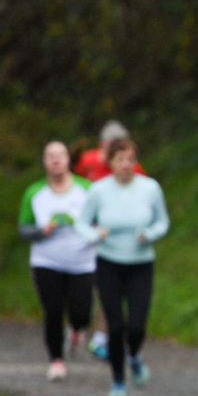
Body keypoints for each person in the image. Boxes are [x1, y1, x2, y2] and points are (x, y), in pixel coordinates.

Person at [75, 137, 170, 396]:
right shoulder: (98, 190)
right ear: (111, 163)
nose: (126, 165)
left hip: (141, 264)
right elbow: (82, 224)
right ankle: (118, 381)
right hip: (109, 264)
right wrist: (95, 234)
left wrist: (150, 234)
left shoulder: (150, 188)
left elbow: (163, 222)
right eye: (120, 160)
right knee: (115, 326)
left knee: (137, 326)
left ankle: (135, 356)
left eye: (130, 159)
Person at [18, 141, 97, 380]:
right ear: (44, 161)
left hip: (82, 260)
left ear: (67, 160)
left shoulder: (87, 189)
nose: (54, 160)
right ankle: (56, 359)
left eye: (59, 155)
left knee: (81, 313)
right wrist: (42, 231)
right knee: (52, 310)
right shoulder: (35, 192)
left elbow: (102, 220)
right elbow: (23, 229)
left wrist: (93, 231)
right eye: (49, 156)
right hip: (46, 261)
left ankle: (76, 328)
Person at [73, 119, 145, 360]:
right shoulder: (88, 161)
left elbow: (142, 191)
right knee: (92, 287)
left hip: (116, 238)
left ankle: (103, 336)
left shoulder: (132, 167)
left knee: (108, 289)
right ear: (101, 144)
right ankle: (88, 328)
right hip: (88, 230)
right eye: (109, 145)